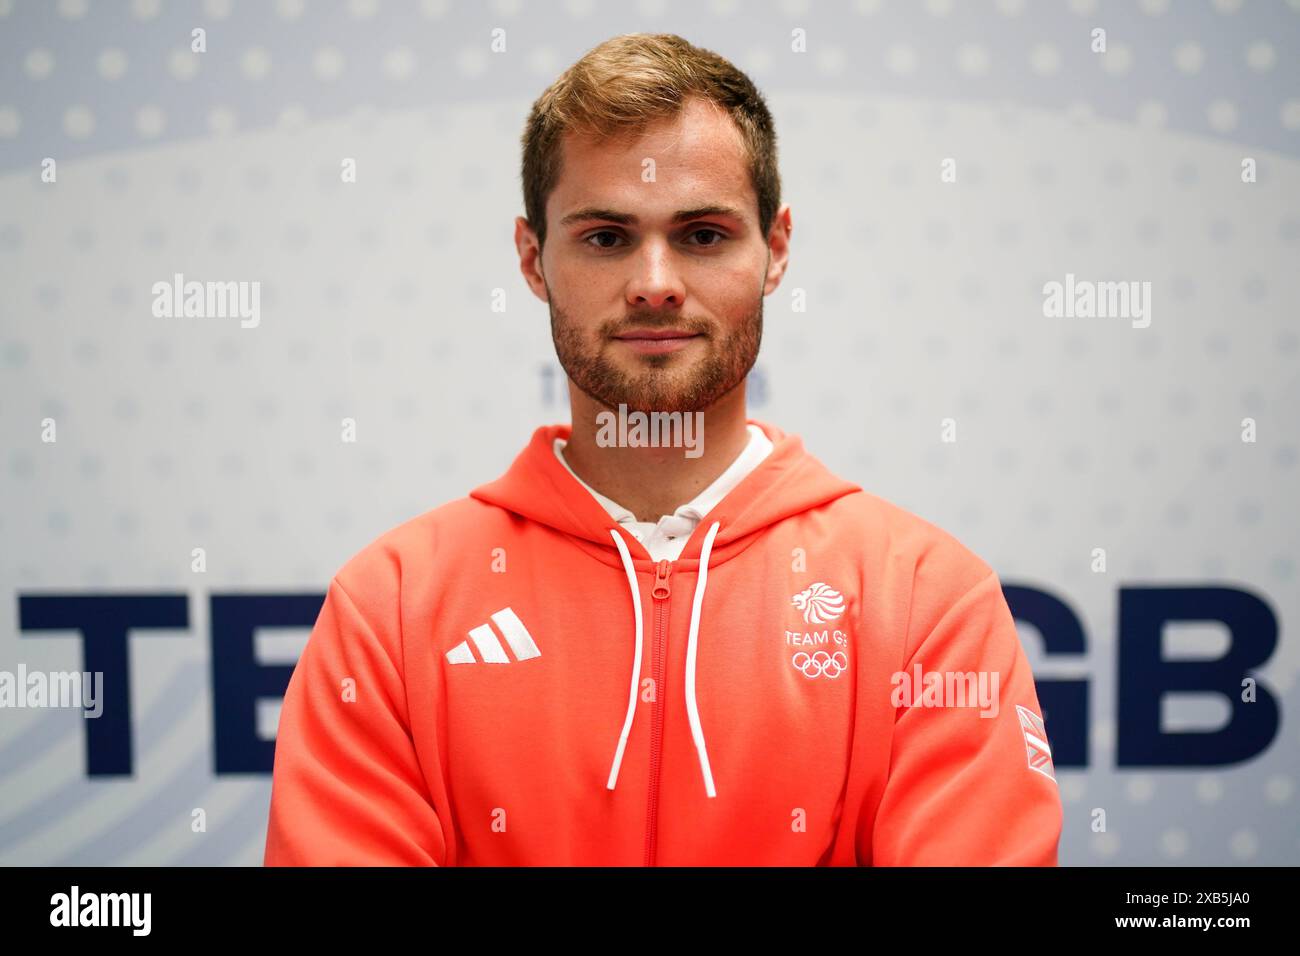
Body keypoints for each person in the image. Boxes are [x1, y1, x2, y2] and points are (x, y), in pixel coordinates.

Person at [264, 33, 1062, 866]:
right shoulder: (389, 613)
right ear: (533, 259)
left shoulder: (929, 605)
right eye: (607, 237)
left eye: (703, 235)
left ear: (776, 250)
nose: (655, 281)